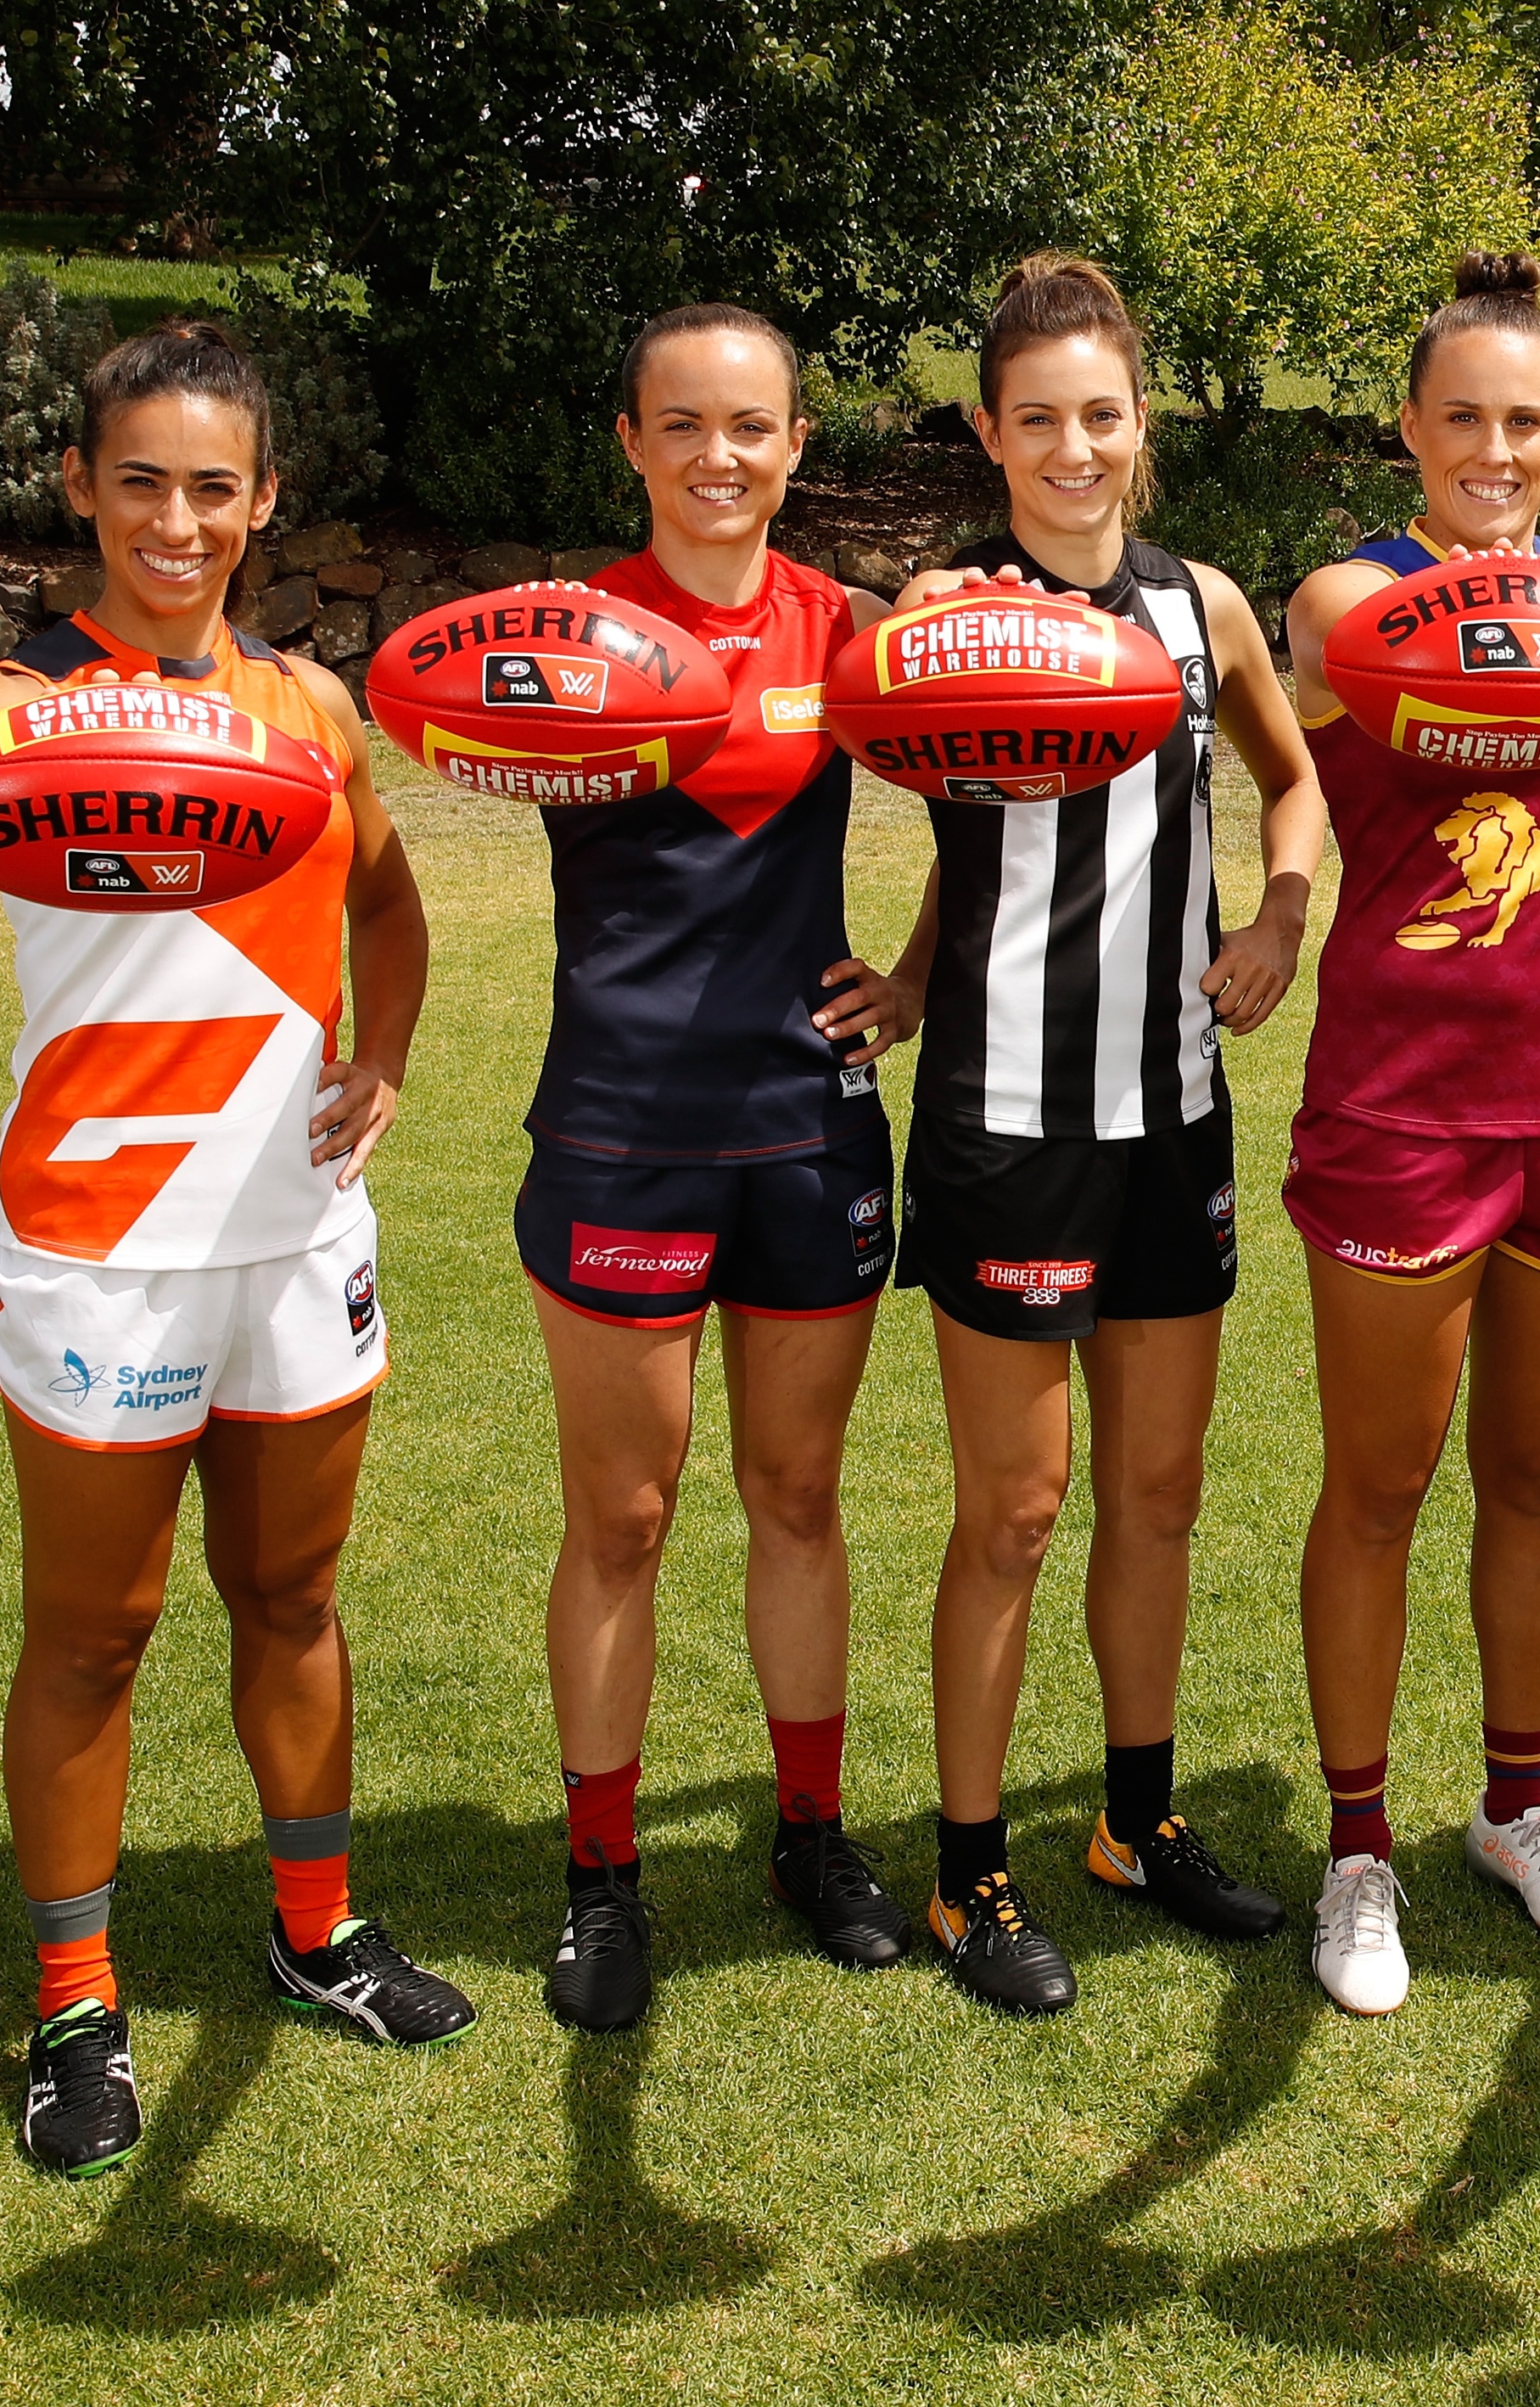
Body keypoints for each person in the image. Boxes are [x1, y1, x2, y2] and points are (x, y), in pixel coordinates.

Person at [0, 321, 468, 2177]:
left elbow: (391, 903)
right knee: (95, 1634)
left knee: (293, 1599)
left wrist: (384, 1057)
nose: (176, 523)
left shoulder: (312, 709)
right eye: (141, 483)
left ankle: (316, 1930)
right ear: (81, 487)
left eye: (213, 488)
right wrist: (140, 722)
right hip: (103, 1241)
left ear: (264, 502)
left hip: (294, 1234)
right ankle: (75, 2004)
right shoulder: (10, 701)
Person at [875, 256, 1326, 2013]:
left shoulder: (1204, 605)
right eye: (1039, 419)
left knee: (1156, 1494)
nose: (1075, 449)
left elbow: (1293, 780)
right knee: (1014, 1510)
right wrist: (913, 975)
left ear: (1142, 425)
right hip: (1005, 1121)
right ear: (989, 432)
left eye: (1103, 416)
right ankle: (965, 1872)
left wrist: (1281, 912)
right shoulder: (950, 612)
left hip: (1174, 1117)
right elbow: (966, 825)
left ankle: (1136, 1822)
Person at [1276, 254, 1540, 2016]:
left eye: (1525, 421)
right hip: (1398, 1107)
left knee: (1530, 1479)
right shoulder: (1346, 599)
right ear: (1410, 429)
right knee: (1380, 1487)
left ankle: (1516, 1811)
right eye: (1463, 419)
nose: (1495, 452)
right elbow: (1323, 729)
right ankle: (1356, 1850)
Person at [518, 304, 921, 2034]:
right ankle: (601, 1870)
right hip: (621, 1124)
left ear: (797, 443)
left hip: (808, 1120)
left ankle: (810, 1834)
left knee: (797, 1494)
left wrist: (916, 976)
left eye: (750, 426)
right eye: (680, 425)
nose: (717, 457)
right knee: (623, 1515)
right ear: (631, 441)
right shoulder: (562, 636)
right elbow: (423, 719)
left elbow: (1004, 783)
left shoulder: (850, 630)